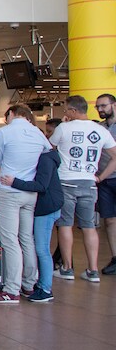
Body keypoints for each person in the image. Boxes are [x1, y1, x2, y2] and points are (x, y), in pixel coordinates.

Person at [0, 104, 49, 303]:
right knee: (27, 239)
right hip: (30, 191)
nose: (4, 119)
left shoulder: (4, 133)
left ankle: (11, 290)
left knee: (10, 241)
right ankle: (29, 284)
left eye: (5, 115)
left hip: (9, 191)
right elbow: (47, 154)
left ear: (12, 113)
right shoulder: (37, 133)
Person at [49, 95, 116, 283]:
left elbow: (48, 148)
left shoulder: (63, 128)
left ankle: (67, 268)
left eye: (65, 110)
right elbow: (115, 157)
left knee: (65, 225)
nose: (65, 114)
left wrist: (63, 125)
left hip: (66, 183)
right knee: (89, 227)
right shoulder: (100, 130)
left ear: (72, 111)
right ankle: (93, 271)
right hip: (89, 183)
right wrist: (100, 177)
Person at [2, 140, 63, 302]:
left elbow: (41, 185)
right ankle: (37, 284)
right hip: (49, 205)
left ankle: (45, 288)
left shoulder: (45, 159)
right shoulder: (47, 157)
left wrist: (14, 182)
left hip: (46, 207)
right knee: (35, 245)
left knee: (41, 248)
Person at [95, 94, 116, 275]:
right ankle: (115, 257)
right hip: (105, 179)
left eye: (103, 106)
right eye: (98, 107)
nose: (101, 109)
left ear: (113, 105)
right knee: (109, 220)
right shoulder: (99, 128)